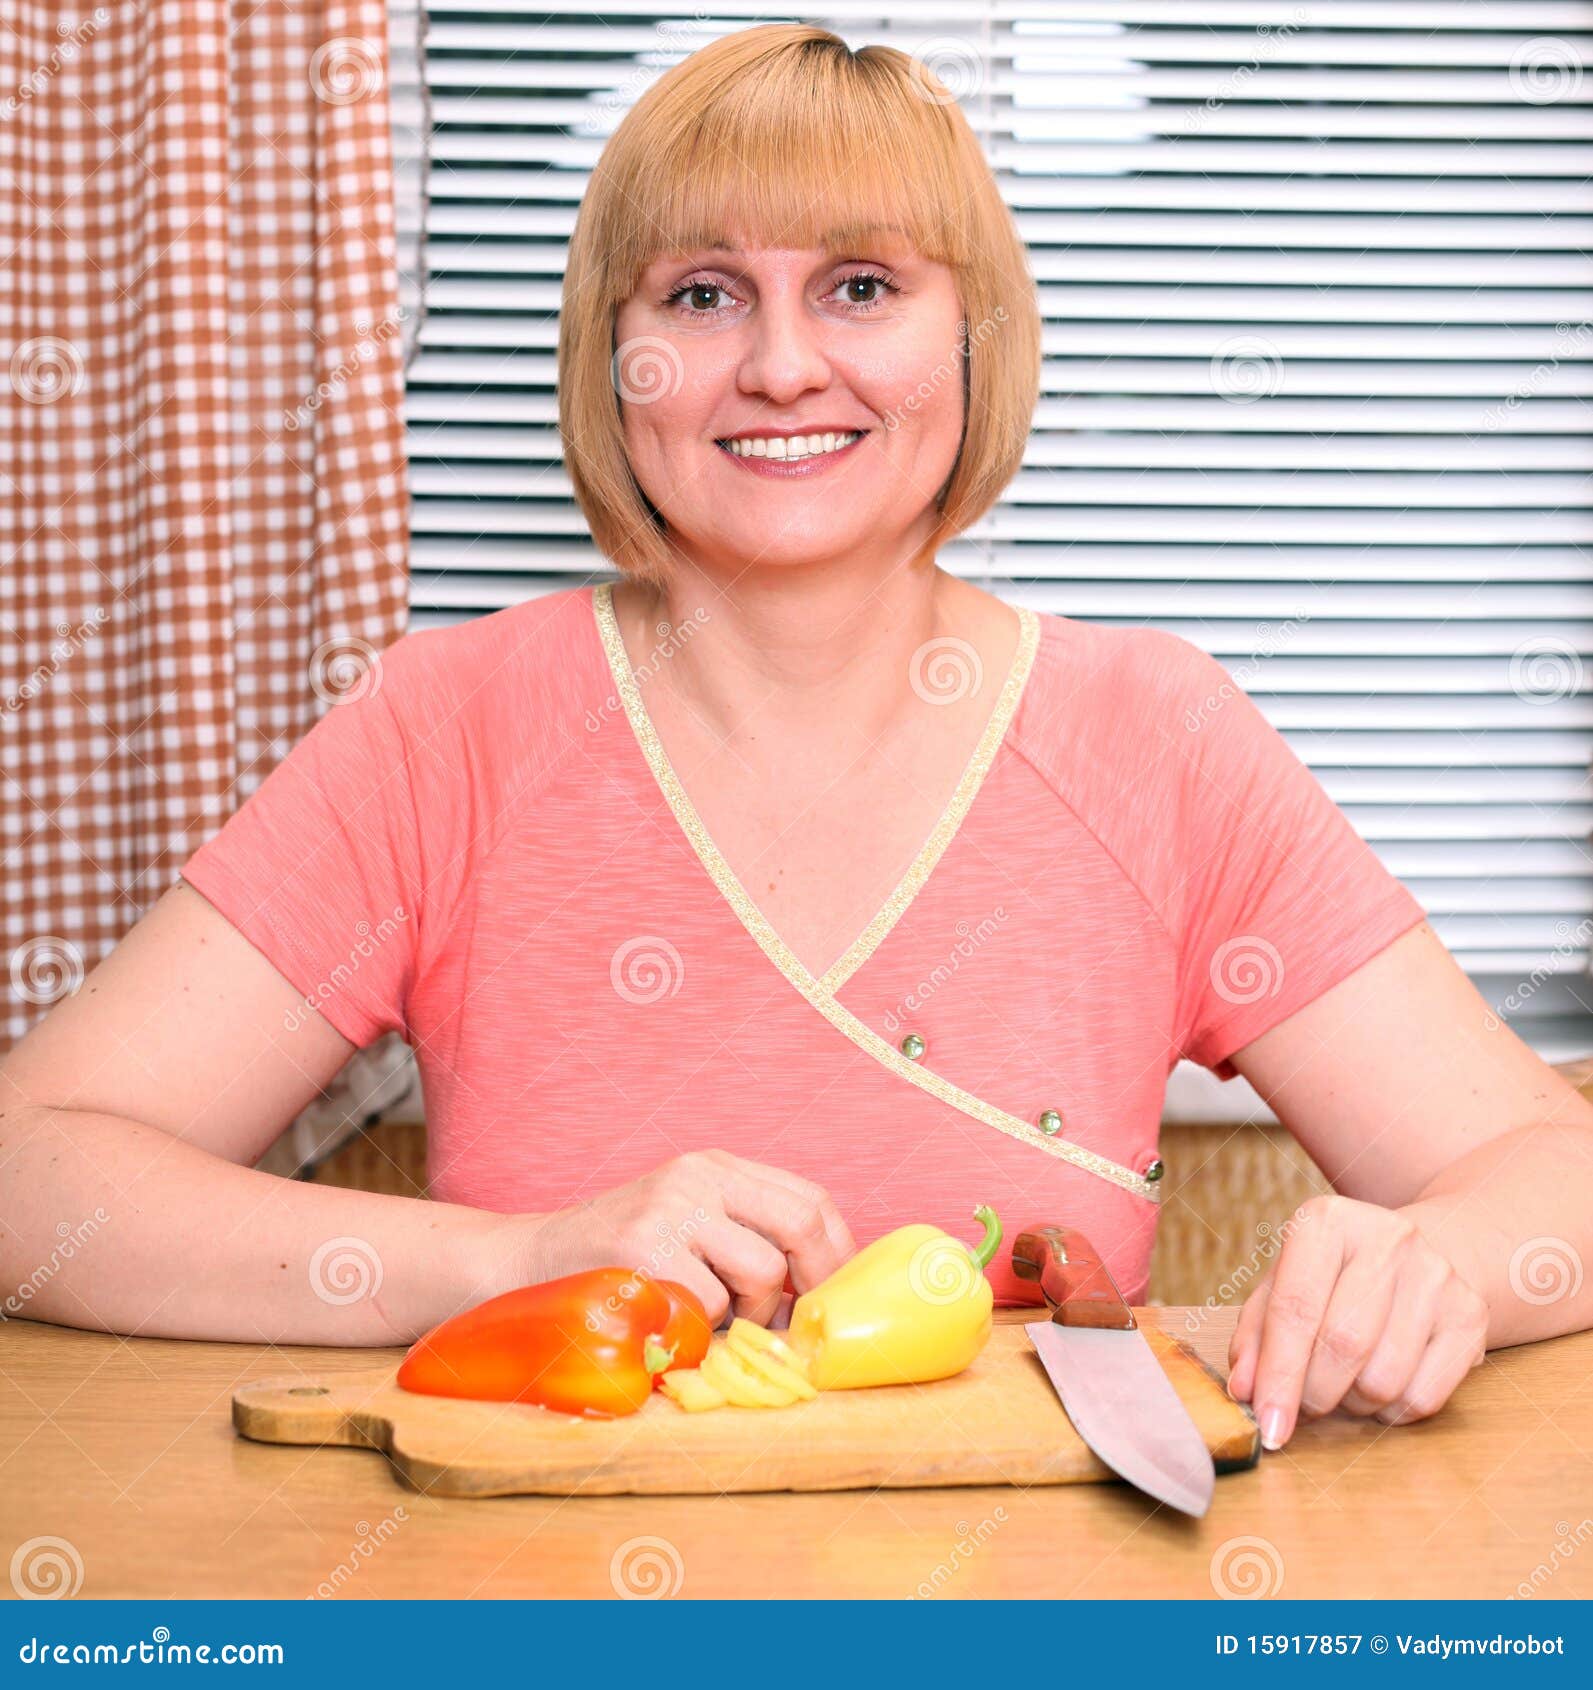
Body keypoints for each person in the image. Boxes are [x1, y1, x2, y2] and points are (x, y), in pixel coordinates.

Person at [3, 24, 1590, 1457]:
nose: (777, 364)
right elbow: (29, 1178)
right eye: (701, 295)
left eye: (862, 285)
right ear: (611, 364)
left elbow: (1551, 1173)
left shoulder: (1154, 739)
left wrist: (1431, 1260)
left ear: (971, 342)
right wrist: (510, 1258)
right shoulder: (445, 730)